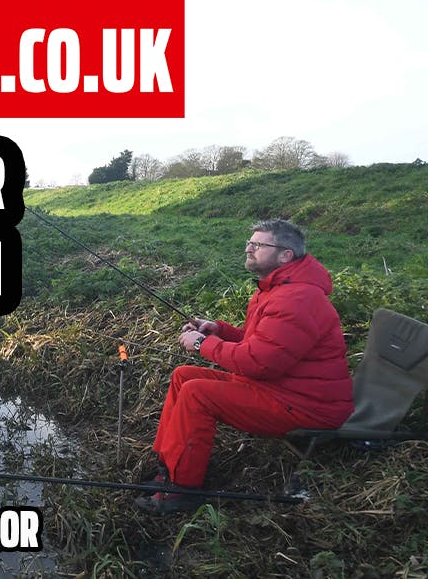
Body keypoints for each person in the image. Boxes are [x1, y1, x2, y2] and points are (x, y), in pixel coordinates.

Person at [135, 219, 353, 514]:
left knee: (197, 393)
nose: (248, 248)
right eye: (249, 242)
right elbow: (265, 343)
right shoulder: (277, 288)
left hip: (305, 406)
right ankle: (169, 470)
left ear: (285, 255)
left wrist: (202, 344)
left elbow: (258, 363)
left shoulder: (298, 298)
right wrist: (220, 331)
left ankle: (182, 490)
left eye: (258, 244)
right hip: (280, 389)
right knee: (183, 376)